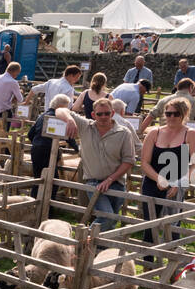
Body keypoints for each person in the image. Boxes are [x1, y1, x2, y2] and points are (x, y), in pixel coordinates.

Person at [54, 98, 137, 232]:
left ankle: (100, 250)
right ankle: (84, 243)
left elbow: (128, 160)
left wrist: (110, 179)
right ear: (93, 115)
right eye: (99, 114)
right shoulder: (85, 126)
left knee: (111, 222)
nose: (103, 117)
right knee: (107, 217)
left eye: (107, 113)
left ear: (113, 113)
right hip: (94, 182)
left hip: (116, 182)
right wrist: (69, 120)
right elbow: (59, 109)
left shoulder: (124, 133)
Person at [139, 97, 195, 247]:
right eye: (168, 114)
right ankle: (149, 262)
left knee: (173, 227)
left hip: (176, 185)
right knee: (149, 226)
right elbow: (144, 162)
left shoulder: (191, 134)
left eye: (176, 114)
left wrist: (180, 183)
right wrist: (159, 179)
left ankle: (173, 265)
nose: (171, 117)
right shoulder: (154, 133)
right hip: (152, 182)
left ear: (184, 114)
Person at [0, 61, 23, 130]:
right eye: (18, 73)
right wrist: (19, 92)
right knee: (3, 135)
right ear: (15, 72)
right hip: (3, 113)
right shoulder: (13, 82)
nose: (17, 75)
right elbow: (20, 99)